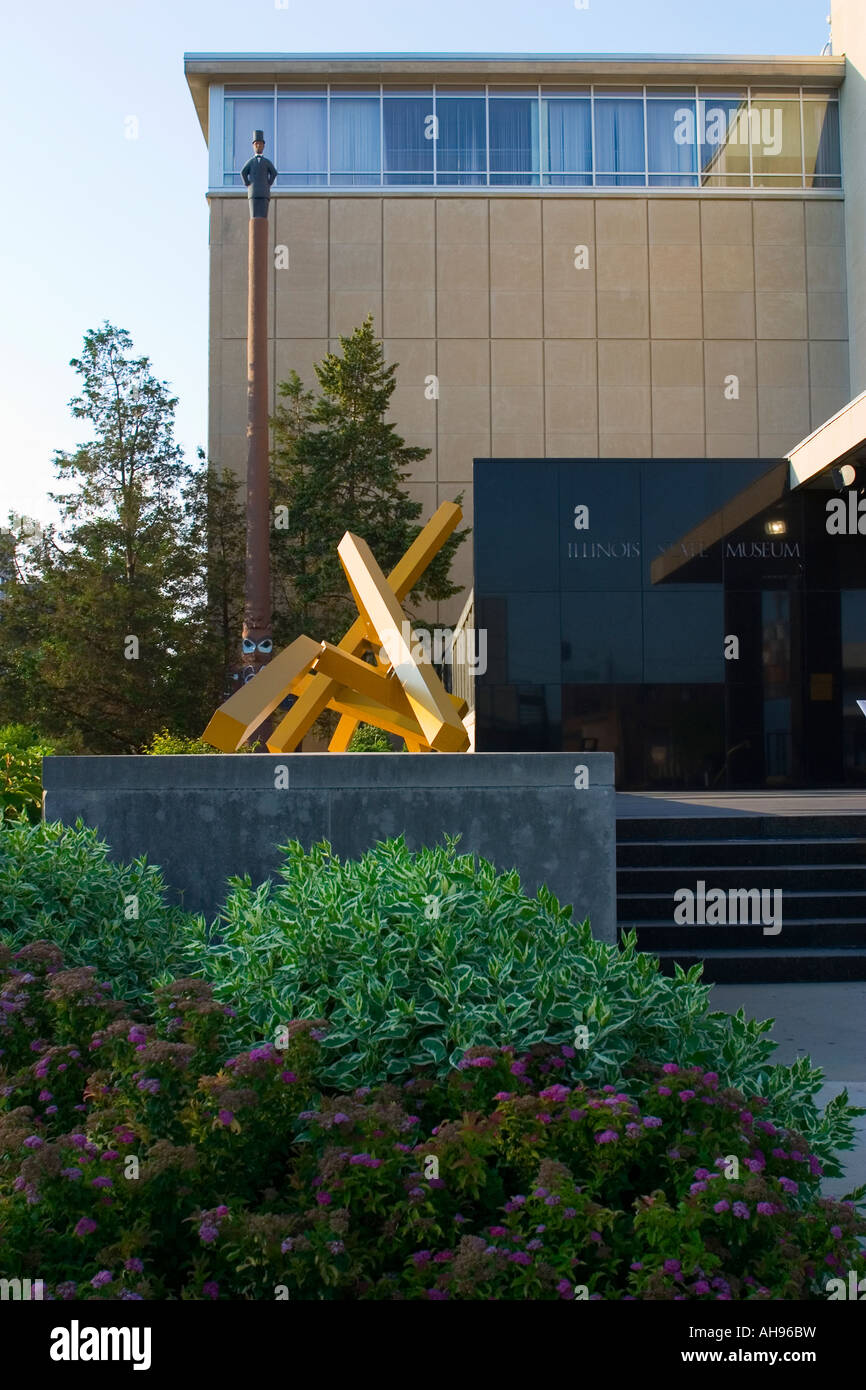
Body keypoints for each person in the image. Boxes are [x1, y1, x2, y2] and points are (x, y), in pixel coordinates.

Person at [240, 131, 277, 219]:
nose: (258, 146)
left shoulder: (266, 162)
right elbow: (243, 172)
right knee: (254, 216)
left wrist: (269, 183)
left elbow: (274, 172)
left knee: (263, 217)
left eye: (260, 144)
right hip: (253, 192)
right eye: (256, 144)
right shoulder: (251, 162)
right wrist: (248, 184)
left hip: (264, 192)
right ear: (253, 146)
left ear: (263, 146)